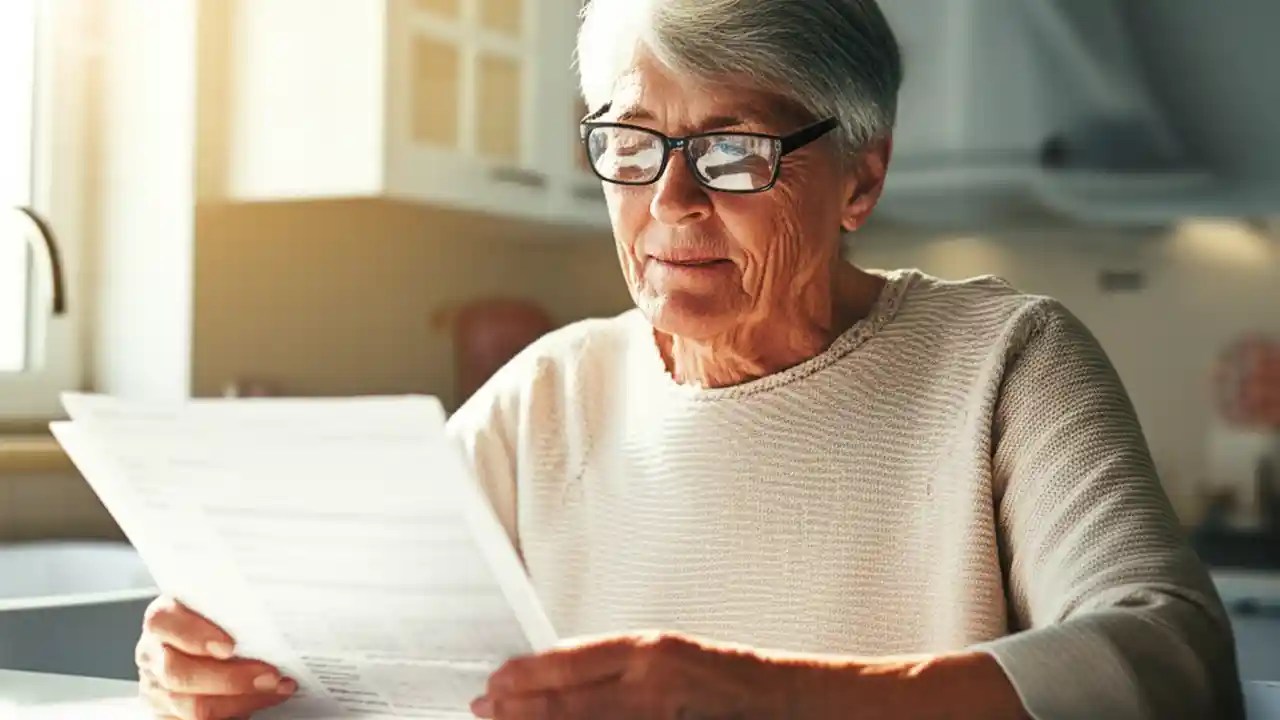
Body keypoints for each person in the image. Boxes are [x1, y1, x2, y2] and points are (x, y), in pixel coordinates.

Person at [133, 0, 1244, 717]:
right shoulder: (545, 396)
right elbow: (350, 655)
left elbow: (1175, 662)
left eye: (731, 149)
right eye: (629, 142)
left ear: (859, 176)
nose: (667, 201)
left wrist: (760, 698)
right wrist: (213, 665)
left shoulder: (1005, 362)